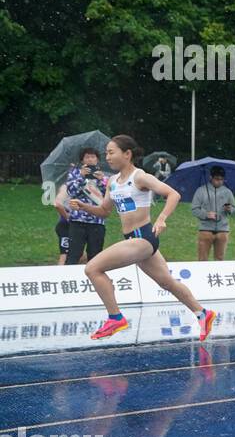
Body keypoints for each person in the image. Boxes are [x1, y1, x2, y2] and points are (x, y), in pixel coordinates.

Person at [67, 135, 218, 341]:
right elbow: (104, 211)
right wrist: (83, 206)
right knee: (167, 283)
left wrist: (162, 219)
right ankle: (203, 313)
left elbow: (173, 194)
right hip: (135, 240)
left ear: (127, 154)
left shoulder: (140, 177)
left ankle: (115, 317)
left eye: (111, 152)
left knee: (92, 268)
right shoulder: (112, 181)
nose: (107, 157)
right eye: (106, 153)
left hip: (143, 239)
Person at [58, 148, 109, 265]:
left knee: (95, 254)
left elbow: (108, 196)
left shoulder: (103, 176)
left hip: (97, 220)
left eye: (93, 157)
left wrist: (101, 181)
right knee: (74, 253)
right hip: (77, 219)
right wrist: (81, 176)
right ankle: (71, 278)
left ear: (97, 160)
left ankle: (93, 278)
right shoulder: (74, 173)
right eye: (87, 157)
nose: (90, 159)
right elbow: (71, 191)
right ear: (82, 160)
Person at [191, 165, 235, 261]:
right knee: (202, 260)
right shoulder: (201, 191)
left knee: (220, 259)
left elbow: (234, 211)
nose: (219, 181)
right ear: (210, 178)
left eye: (222, 179)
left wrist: (230, 209)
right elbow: (194, 209)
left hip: (223, 231)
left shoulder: (227, 192)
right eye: (217, 179)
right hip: (205, 230)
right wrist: (206, 215)